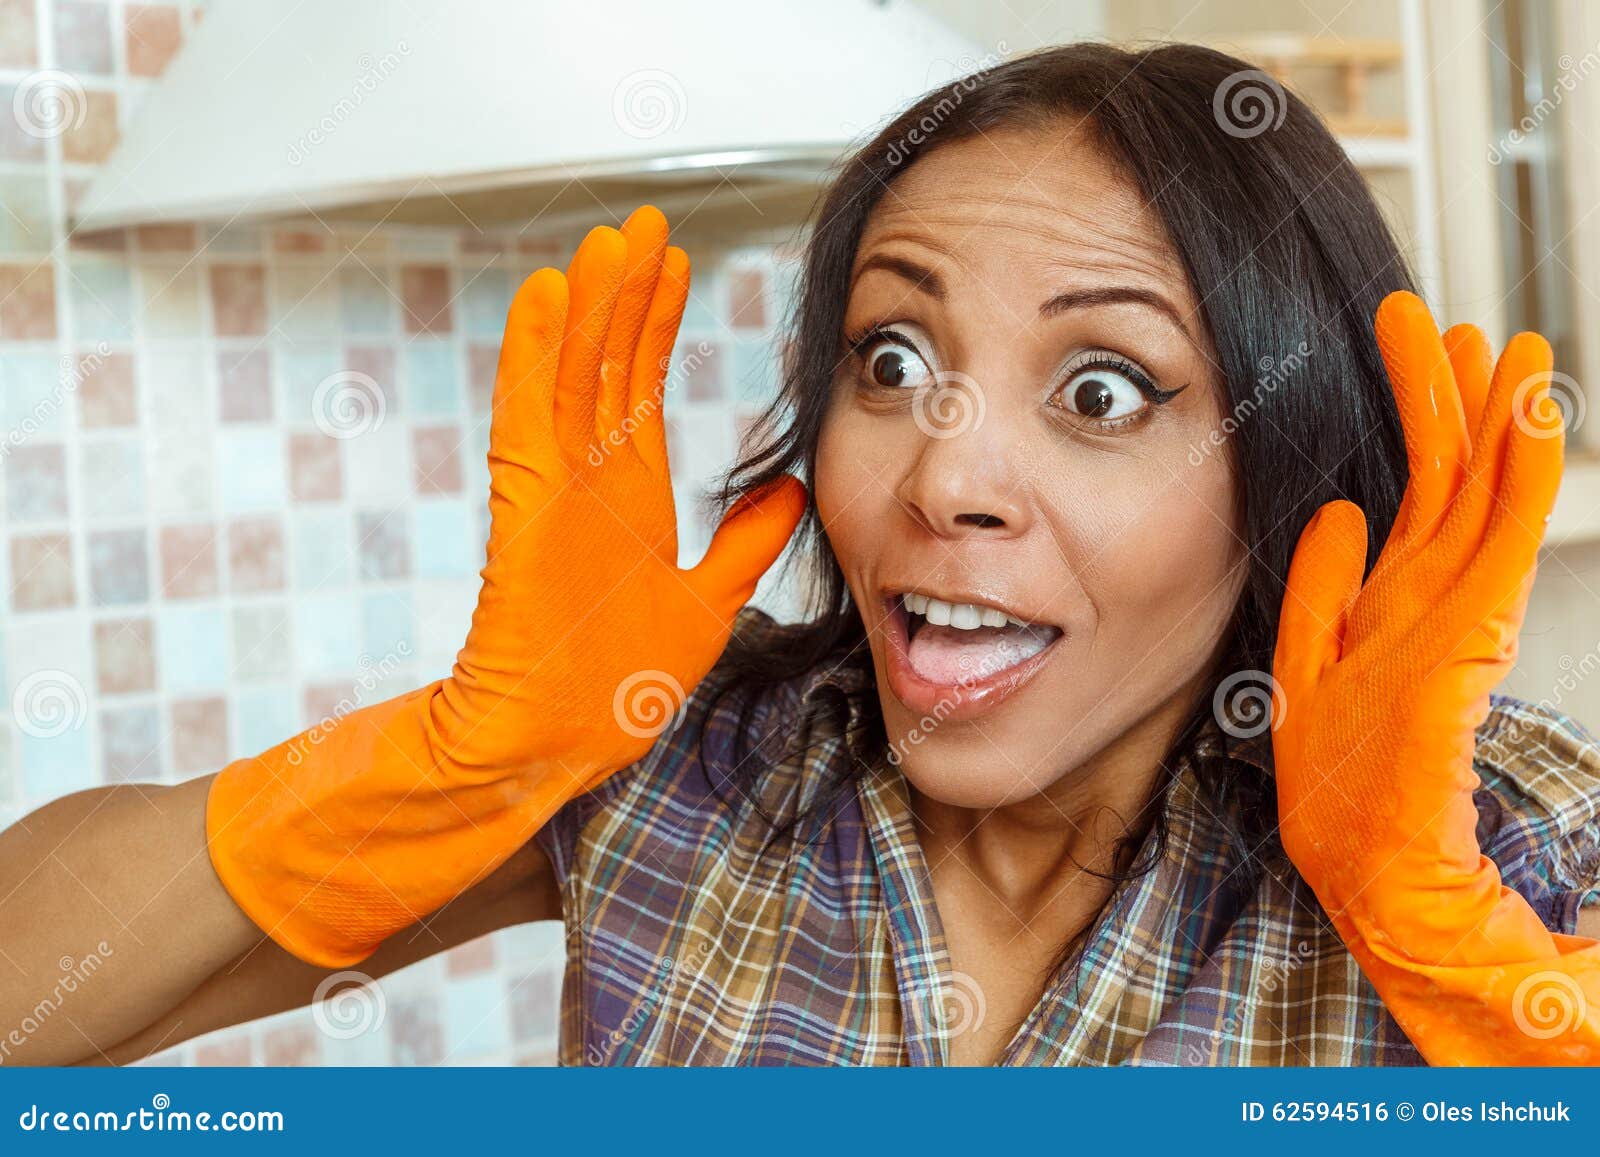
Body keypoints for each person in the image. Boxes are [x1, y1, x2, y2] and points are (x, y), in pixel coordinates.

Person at [3, 42, 1598, 1068]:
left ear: (1293, 456)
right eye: (889, 359)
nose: (944, 473)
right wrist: (451, 759)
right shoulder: (695, 771)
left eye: (1103, 388)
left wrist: (1439, 929)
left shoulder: (1522, 844)